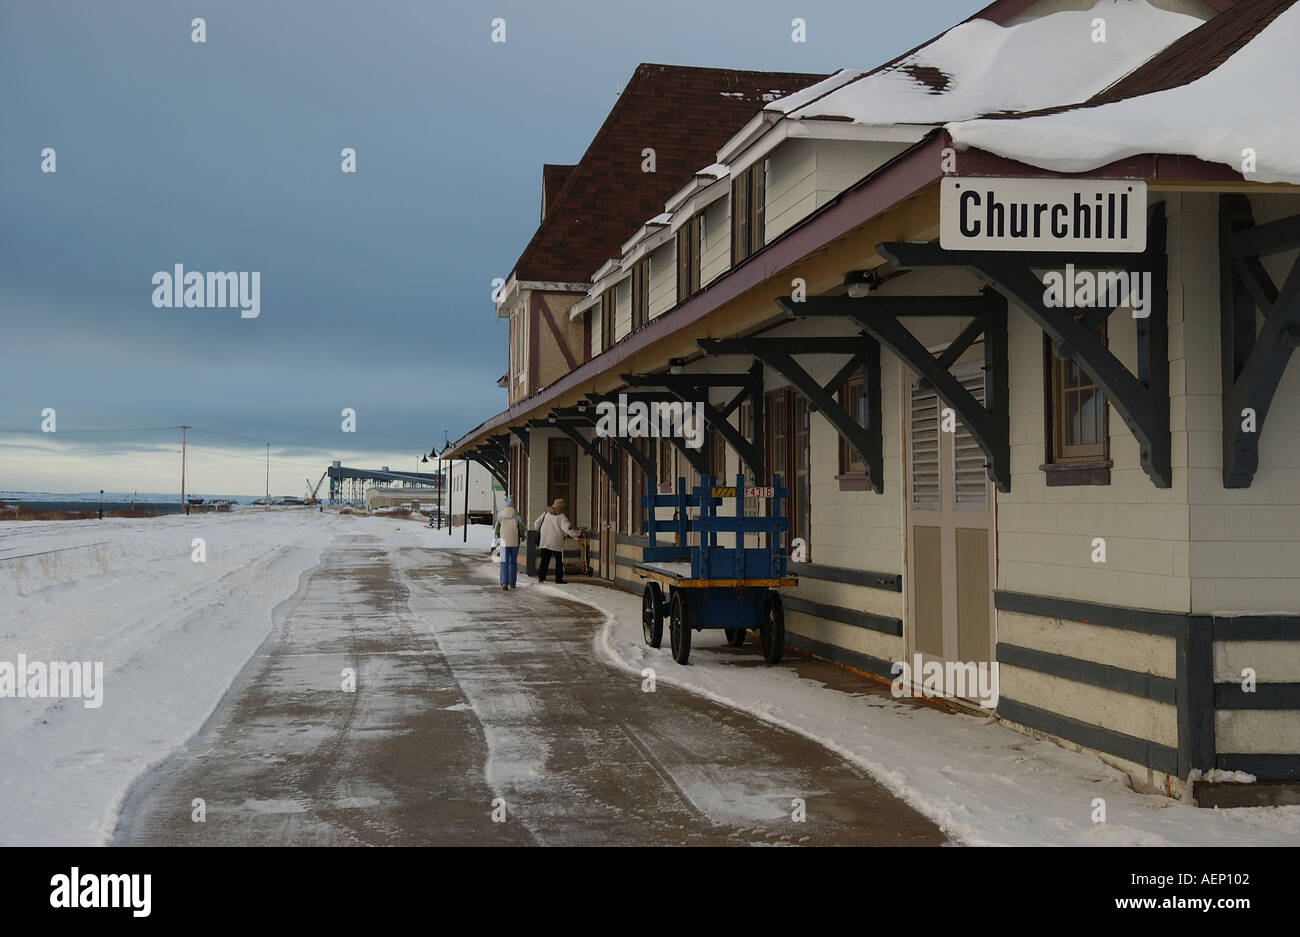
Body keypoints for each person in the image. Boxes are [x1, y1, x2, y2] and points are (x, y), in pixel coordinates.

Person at [534, 498, 577, 584]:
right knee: (558, 561)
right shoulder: (561, 516)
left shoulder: (546, 513)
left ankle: (541, 578)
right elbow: (567, 528)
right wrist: (576, 537)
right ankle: (558, 579)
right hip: (556, 542)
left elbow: (536, 524)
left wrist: (543, 531)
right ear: (561, 508)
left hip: (545, 541)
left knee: (544, 561)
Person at [495, 498, 525, 590]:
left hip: (504, 543)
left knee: (504, 562)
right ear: (512, 506)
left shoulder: (501, 516)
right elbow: (521, 528)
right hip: (514, 542)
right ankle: (512, 583)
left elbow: (497, 529)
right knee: (513, 562)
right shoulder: (516, 516)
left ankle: (504, 582)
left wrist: (498, 536)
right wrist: (522, 536)